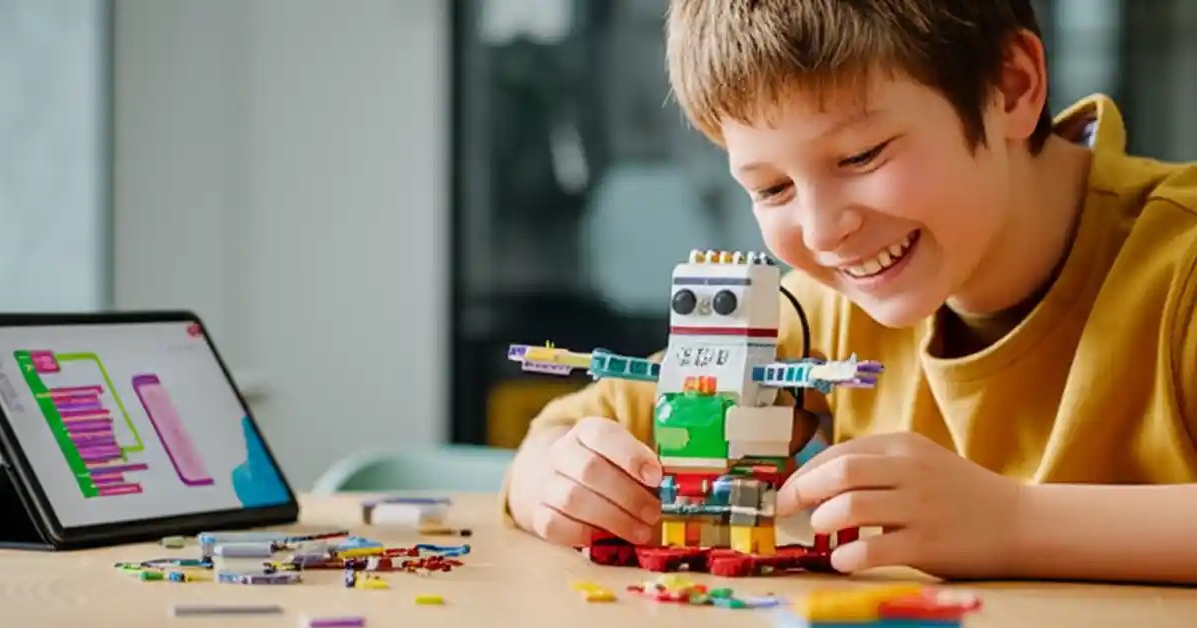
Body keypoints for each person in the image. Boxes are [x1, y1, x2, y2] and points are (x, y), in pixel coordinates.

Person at [500, 0, 1197, 584]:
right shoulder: (832, 308)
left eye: (861, 156)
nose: (825, 230)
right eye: (771, 188)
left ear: (1011, 88)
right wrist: (560, 484)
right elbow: (567, 427)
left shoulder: (1180, 266)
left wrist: (1013, 522)